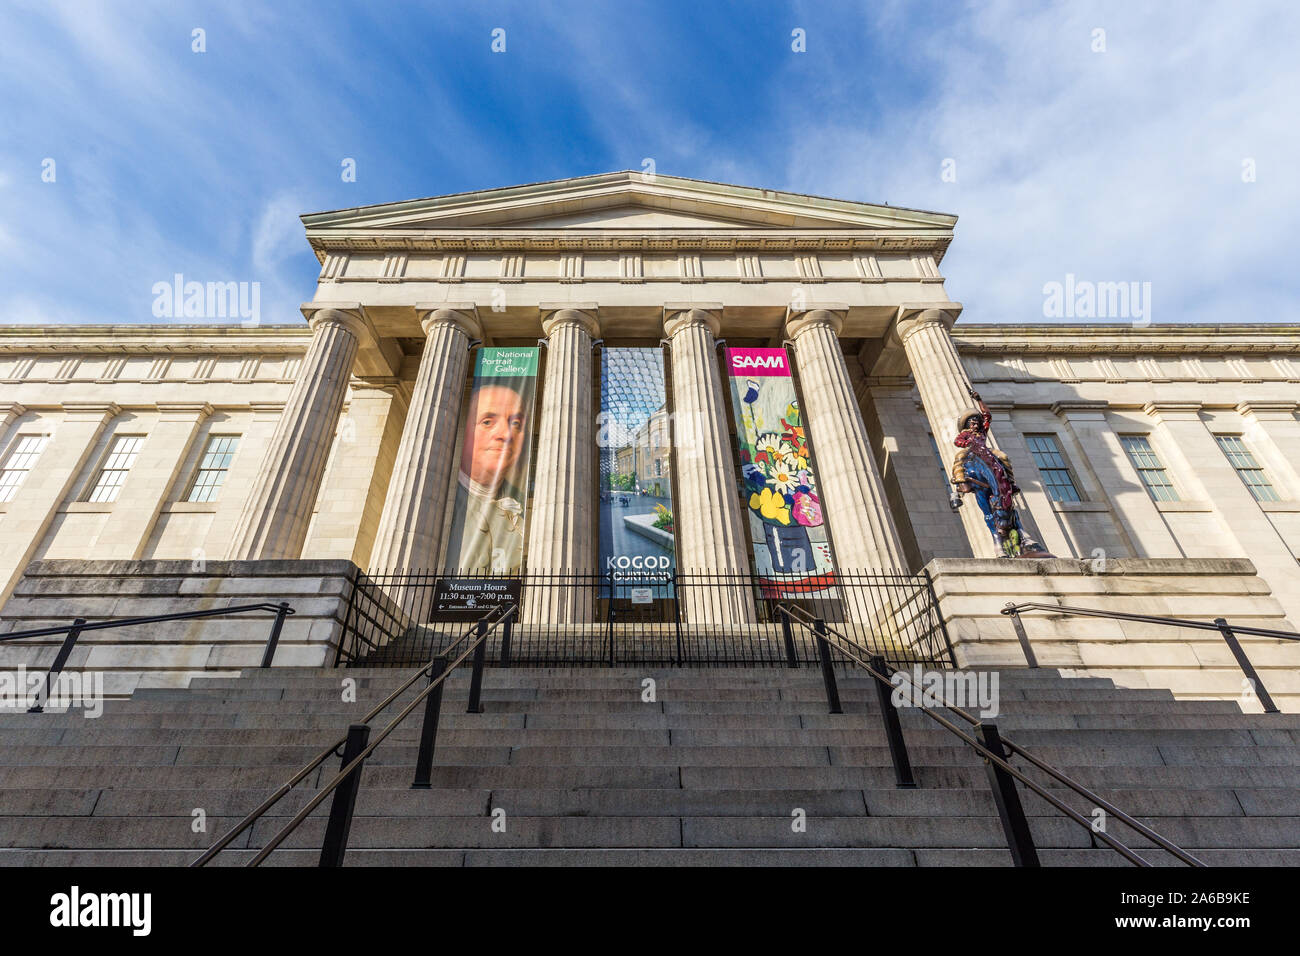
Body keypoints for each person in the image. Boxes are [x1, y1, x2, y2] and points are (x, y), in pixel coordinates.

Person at [951, 386, 1050, 558]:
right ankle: (960, 485)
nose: (975, 423)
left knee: (1002, 456)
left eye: (976, 421)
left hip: (986, 452)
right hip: (972, 451)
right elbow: (957, 442)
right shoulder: (966, 435)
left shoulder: (982, 431)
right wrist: (968, 443)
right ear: (967, 425)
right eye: (972, 422)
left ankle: (1010, 482)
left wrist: (979, 399)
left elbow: (987, 416)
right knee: (959, 458)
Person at [444, 381, 531, 572]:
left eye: (515, 424)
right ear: (466, 429)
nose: (505, 434)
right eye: (487, 422)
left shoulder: (518, 503)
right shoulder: (440, 498)